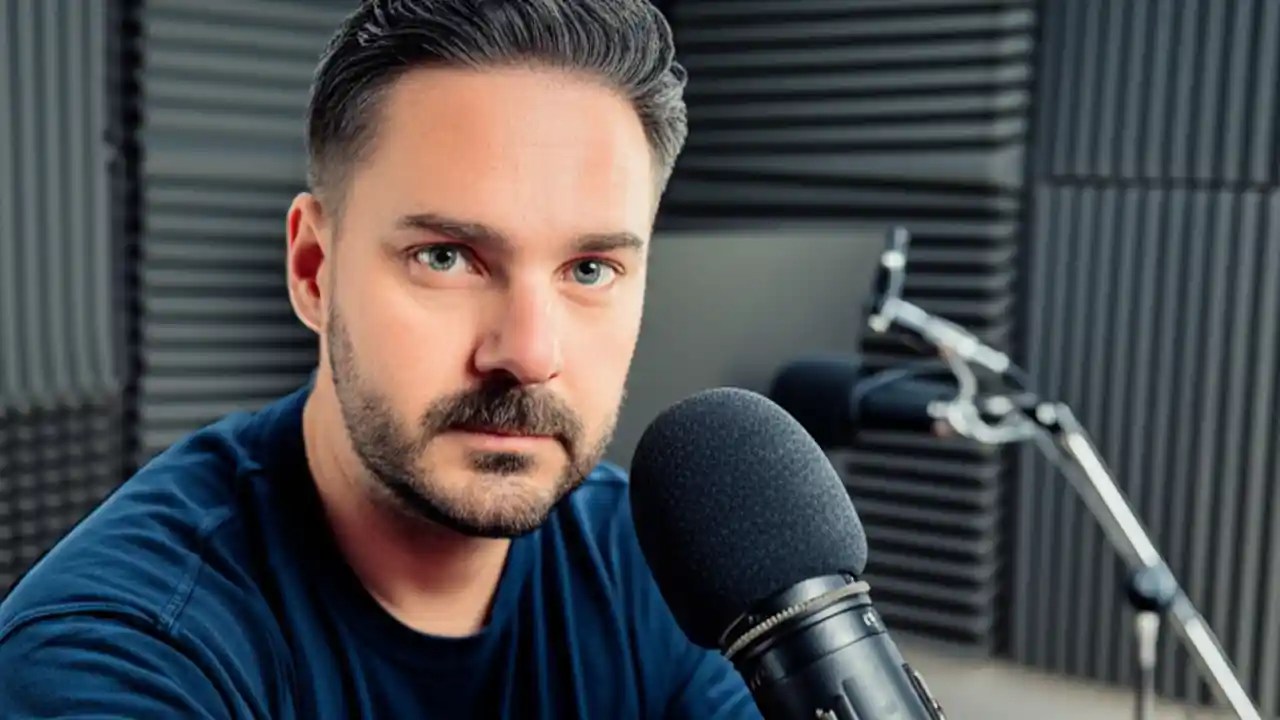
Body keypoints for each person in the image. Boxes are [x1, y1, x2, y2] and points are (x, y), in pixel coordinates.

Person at [0, 1, 762, 717]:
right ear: (313, 270)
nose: (528, 353)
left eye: (589, 269)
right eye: (446, 257)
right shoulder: (120, 654)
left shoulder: (648, 566)